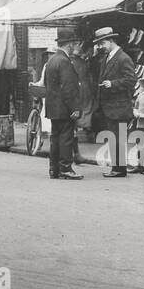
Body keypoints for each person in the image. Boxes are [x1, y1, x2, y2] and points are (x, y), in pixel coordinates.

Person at [89, 27, 136, 178]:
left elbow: (131, 80)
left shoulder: (123, 58)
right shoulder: (107, 57)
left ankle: (119, 169)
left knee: (118, 138)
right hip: (111, 107)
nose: (100, 47)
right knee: (114, 138)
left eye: (102, 43)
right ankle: (117, 167)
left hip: (119, 107)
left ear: (110, 41)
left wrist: (113, 84)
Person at [42, 27, 84, 180]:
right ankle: (66, 168)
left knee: (55, 138)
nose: (76, 47)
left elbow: (48, 85)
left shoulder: (52, 60)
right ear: (69, 44)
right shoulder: (65, 61)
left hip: (54, 107)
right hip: (65, 108)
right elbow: (68, 88)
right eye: (74, 43)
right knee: (66, 138)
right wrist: (75, 108)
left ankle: (54, 169)